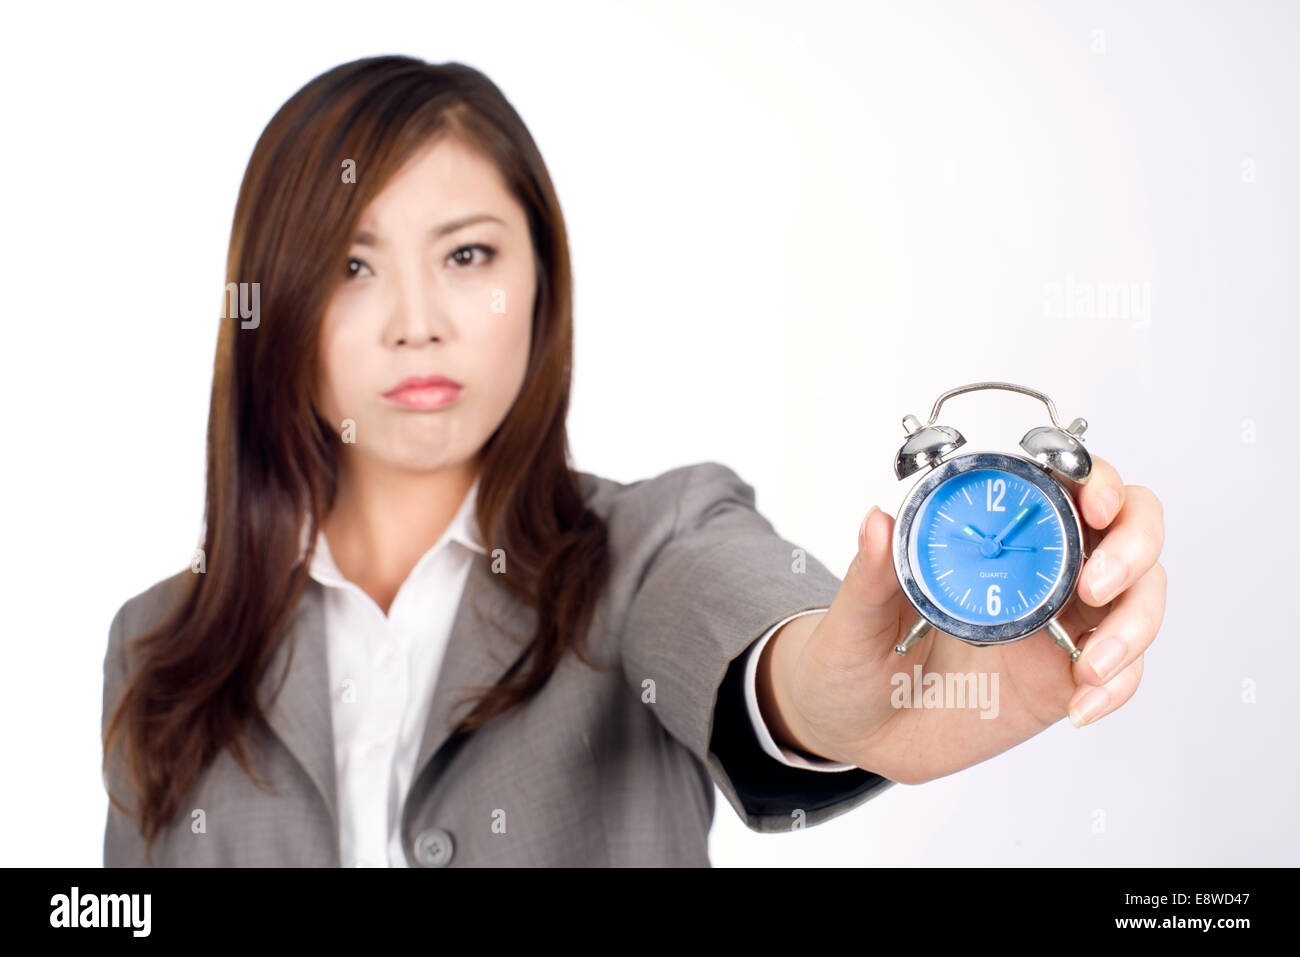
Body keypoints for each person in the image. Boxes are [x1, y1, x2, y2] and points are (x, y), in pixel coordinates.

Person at [101, 55, 1167, 867]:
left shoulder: (653, 549)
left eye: (467, 255)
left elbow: (773, 658)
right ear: (271, 307)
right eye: (350, 264)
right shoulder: (156, 645)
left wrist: (849, 700)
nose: (416, 321)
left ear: (542, 287)